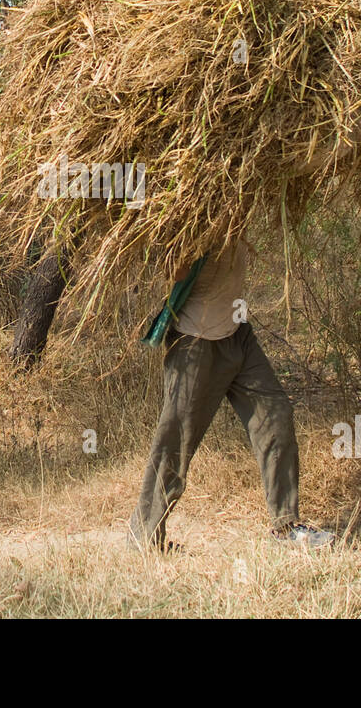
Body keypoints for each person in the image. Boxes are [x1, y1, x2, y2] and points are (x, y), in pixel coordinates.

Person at [128, 235, 334, 552]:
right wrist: (196, 236)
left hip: (238, 334)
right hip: (195, 343)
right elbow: (174, 271)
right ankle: (145, 537)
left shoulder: (237, 203)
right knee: (176, 440)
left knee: (275, 415)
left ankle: (286, 526)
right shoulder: (193, 218)